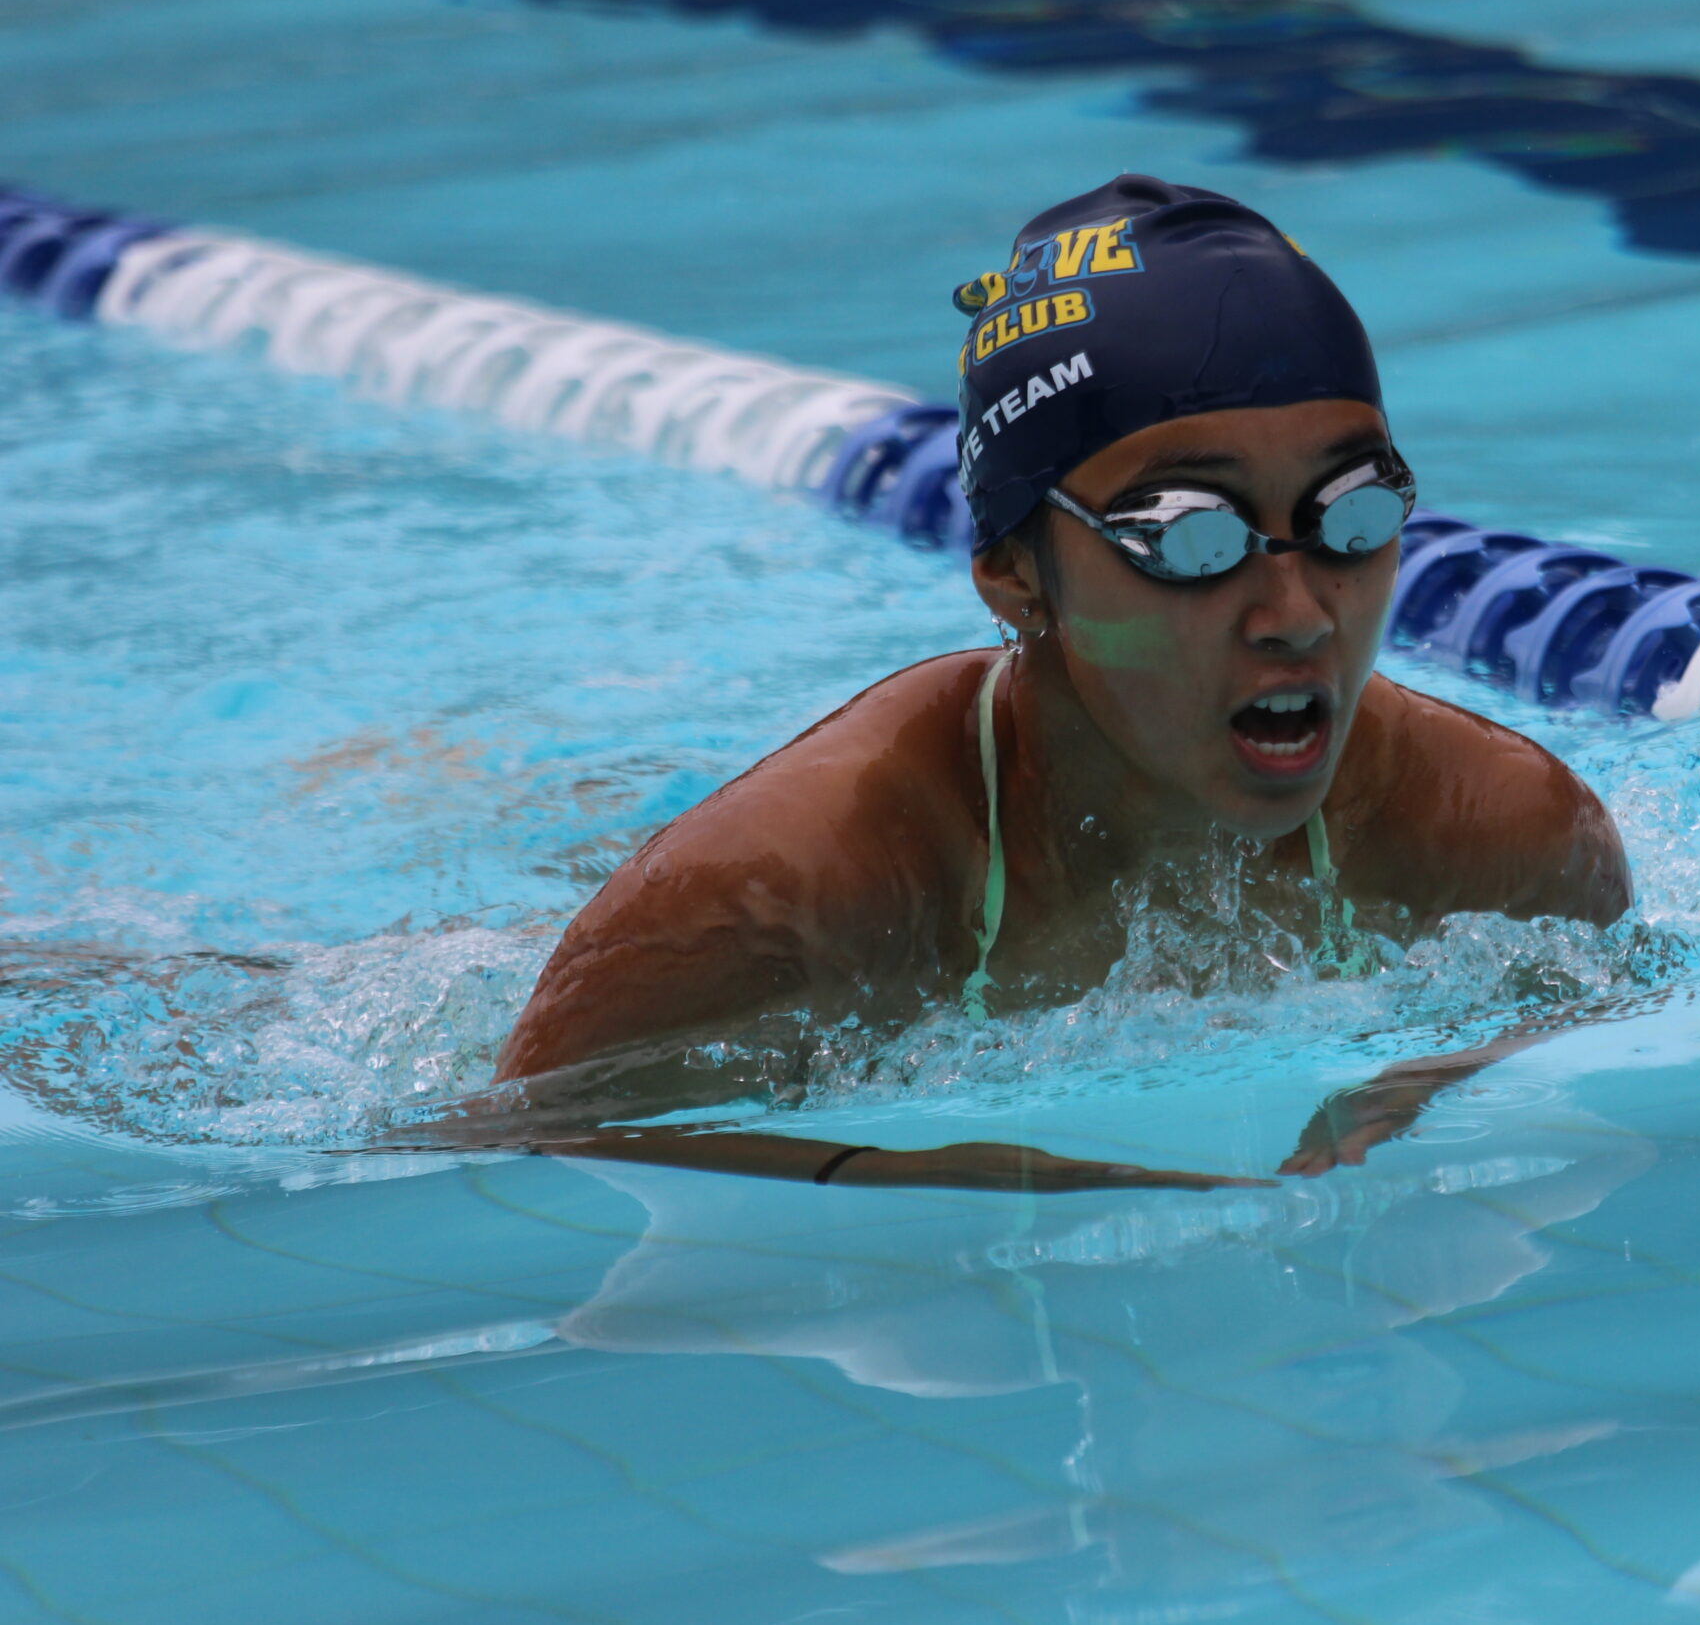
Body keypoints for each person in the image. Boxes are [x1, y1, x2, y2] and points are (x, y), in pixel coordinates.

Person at [485, 175, 1632, 1191]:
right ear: (1014, 573)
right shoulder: (788, 888)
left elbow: (1611, 1008)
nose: (1296, 615)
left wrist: (1443, 1075)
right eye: (1188, 535)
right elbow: (508, 1148)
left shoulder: (1500, 835)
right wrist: (914, 1175)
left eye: (1353, 515)